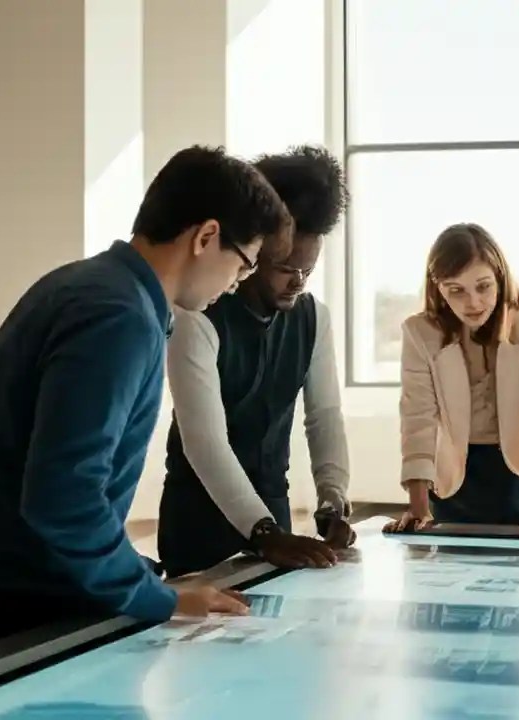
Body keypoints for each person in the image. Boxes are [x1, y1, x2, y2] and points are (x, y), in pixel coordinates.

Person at [0, 145, 288, 660]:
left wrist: (137, 574)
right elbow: (64, 499)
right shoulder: (118, 316)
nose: (235, 285)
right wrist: (155, 597)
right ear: (206, 237)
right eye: (244, 266)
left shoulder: (93, 285)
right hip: (12, 607)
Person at [159, 145, 355, 578]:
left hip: (274, 511)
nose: (297, 283)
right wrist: (262, 532)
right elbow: (204, 442)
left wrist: (332, 497)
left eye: (308, 270)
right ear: (256, 248)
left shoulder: (313, 317)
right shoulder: (197, 317)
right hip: (200, 521)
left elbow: (324, 416)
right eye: (285, 268)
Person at [385, 223, 519, 536]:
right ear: (438, 288)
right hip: (451, 476)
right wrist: (418, 508)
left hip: (516, 473)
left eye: (483, 286)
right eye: (456, 290)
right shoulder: (419, 332)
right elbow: (417, 420)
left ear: (500, 278)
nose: (473, 303)